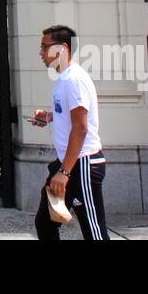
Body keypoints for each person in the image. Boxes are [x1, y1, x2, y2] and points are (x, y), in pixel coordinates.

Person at [30, 24, 107, 240]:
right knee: (45, 222)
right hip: (69, 164)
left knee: (94, 232)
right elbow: (72, 117)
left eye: (45, 47)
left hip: (82, 165)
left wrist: (64, 173)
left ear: (63, 48)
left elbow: (81, 128)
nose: (41, 53)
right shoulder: (63, 79)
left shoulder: (74, 79)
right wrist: (47, 118)